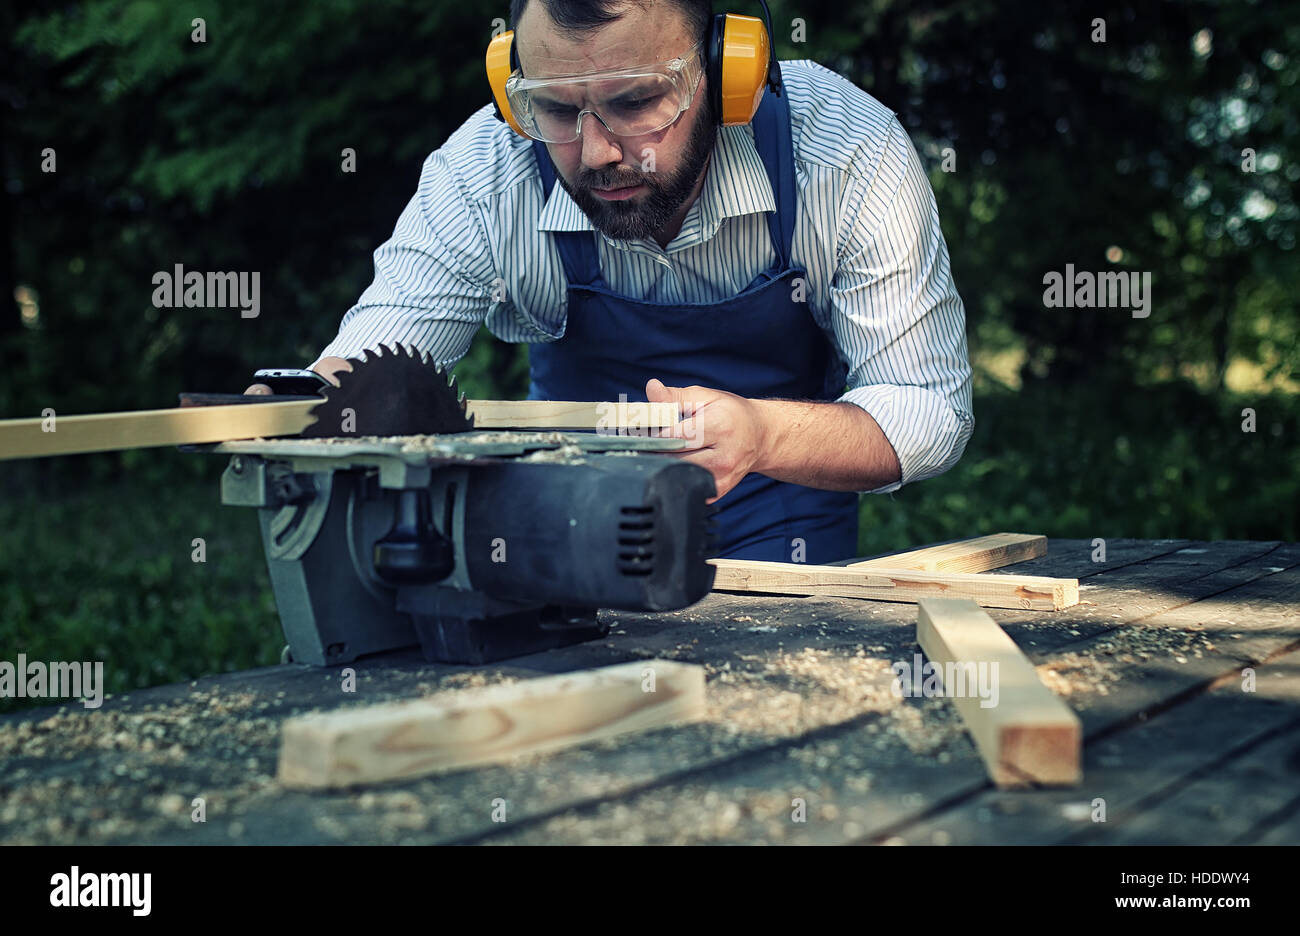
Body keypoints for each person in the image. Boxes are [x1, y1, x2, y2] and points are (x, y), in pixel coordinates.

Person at [249, 0, 974, 564]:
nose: (595, 152)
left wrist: (759, 433)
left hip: (784, 540)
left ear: (727, 71)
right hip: (565, 530)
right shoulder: (485, 173)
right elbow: (377, 354)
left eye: (635, 103)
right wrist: (292, 405)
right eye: (558, 110)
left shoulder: (843, 153)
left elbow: (929, 408)